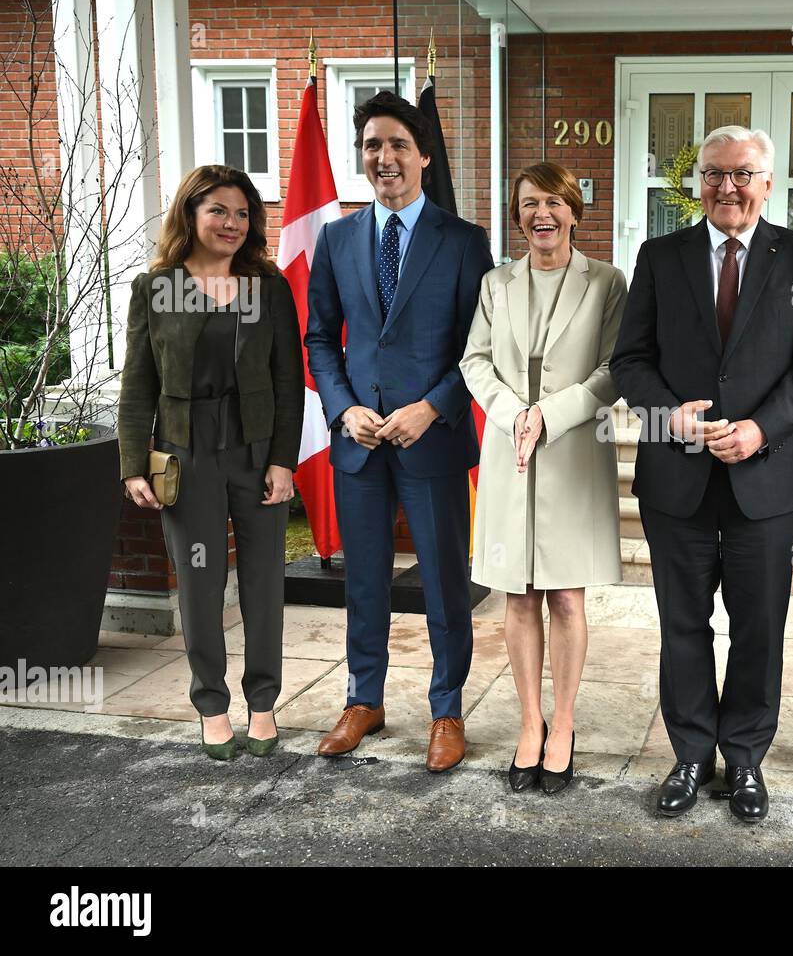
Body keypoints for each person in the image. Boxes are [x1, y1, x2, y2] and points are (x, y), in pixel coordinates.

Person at [611, 125, 793, 822]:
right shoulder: (659, 256)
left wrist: (760, 427)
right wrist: (667, 414)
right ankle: (688, 754)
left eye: (743, 174)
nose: (728, 187)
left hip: (764, 479)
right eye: (714, 173)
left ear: (767, 184)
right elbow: (630, 359)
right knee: (683, 623)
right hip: (676, 475)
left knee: (759, 626)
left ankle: (743, 759)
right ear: (697, 182)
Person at [304, 91, 493, 771]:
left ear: (423, 156)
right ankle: (365, 699)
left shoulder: (465, 241)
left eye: (397, 146)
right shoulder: (337, 239)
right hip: (359, 441)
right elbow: (320, 338)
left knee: (444, 581)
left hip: (431, 440)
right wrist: (343, 407)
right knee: (366, 583)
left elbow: (481, 344)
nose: (384, 158)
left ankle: (447, 710)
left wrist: (433, 406)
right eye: (372, 146)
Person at [118, 164, 304, 760]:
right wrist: (131, 465)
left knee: (263, 581)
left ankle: (264, 702)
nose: (232, 223)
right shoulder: (156, 288)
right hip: (184, 453)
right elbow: (137, 385)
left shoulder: (267, 287)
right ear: (191, 214)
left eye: (243, 213)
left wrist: (282, 460)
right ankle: (211, 705)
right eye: (218, 210)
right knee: (199, 582)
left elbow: (288, 382)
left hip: (254, 450)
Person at [460, 163, 626, 795]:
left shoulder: (608, 282)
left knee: (565, 595)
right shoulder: (495, 283)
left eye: (554, 202)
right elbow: (473, 359)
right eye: (529, 203)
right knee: (518, 596)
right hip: (509, 449)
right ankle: (529, 723)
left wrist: (549, 416)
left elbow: (616, 367)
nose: (542, 214)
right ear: (517, 213)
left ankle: (563, 725)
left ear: (575, 211)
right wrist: (512, 416)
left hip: (575, 448)